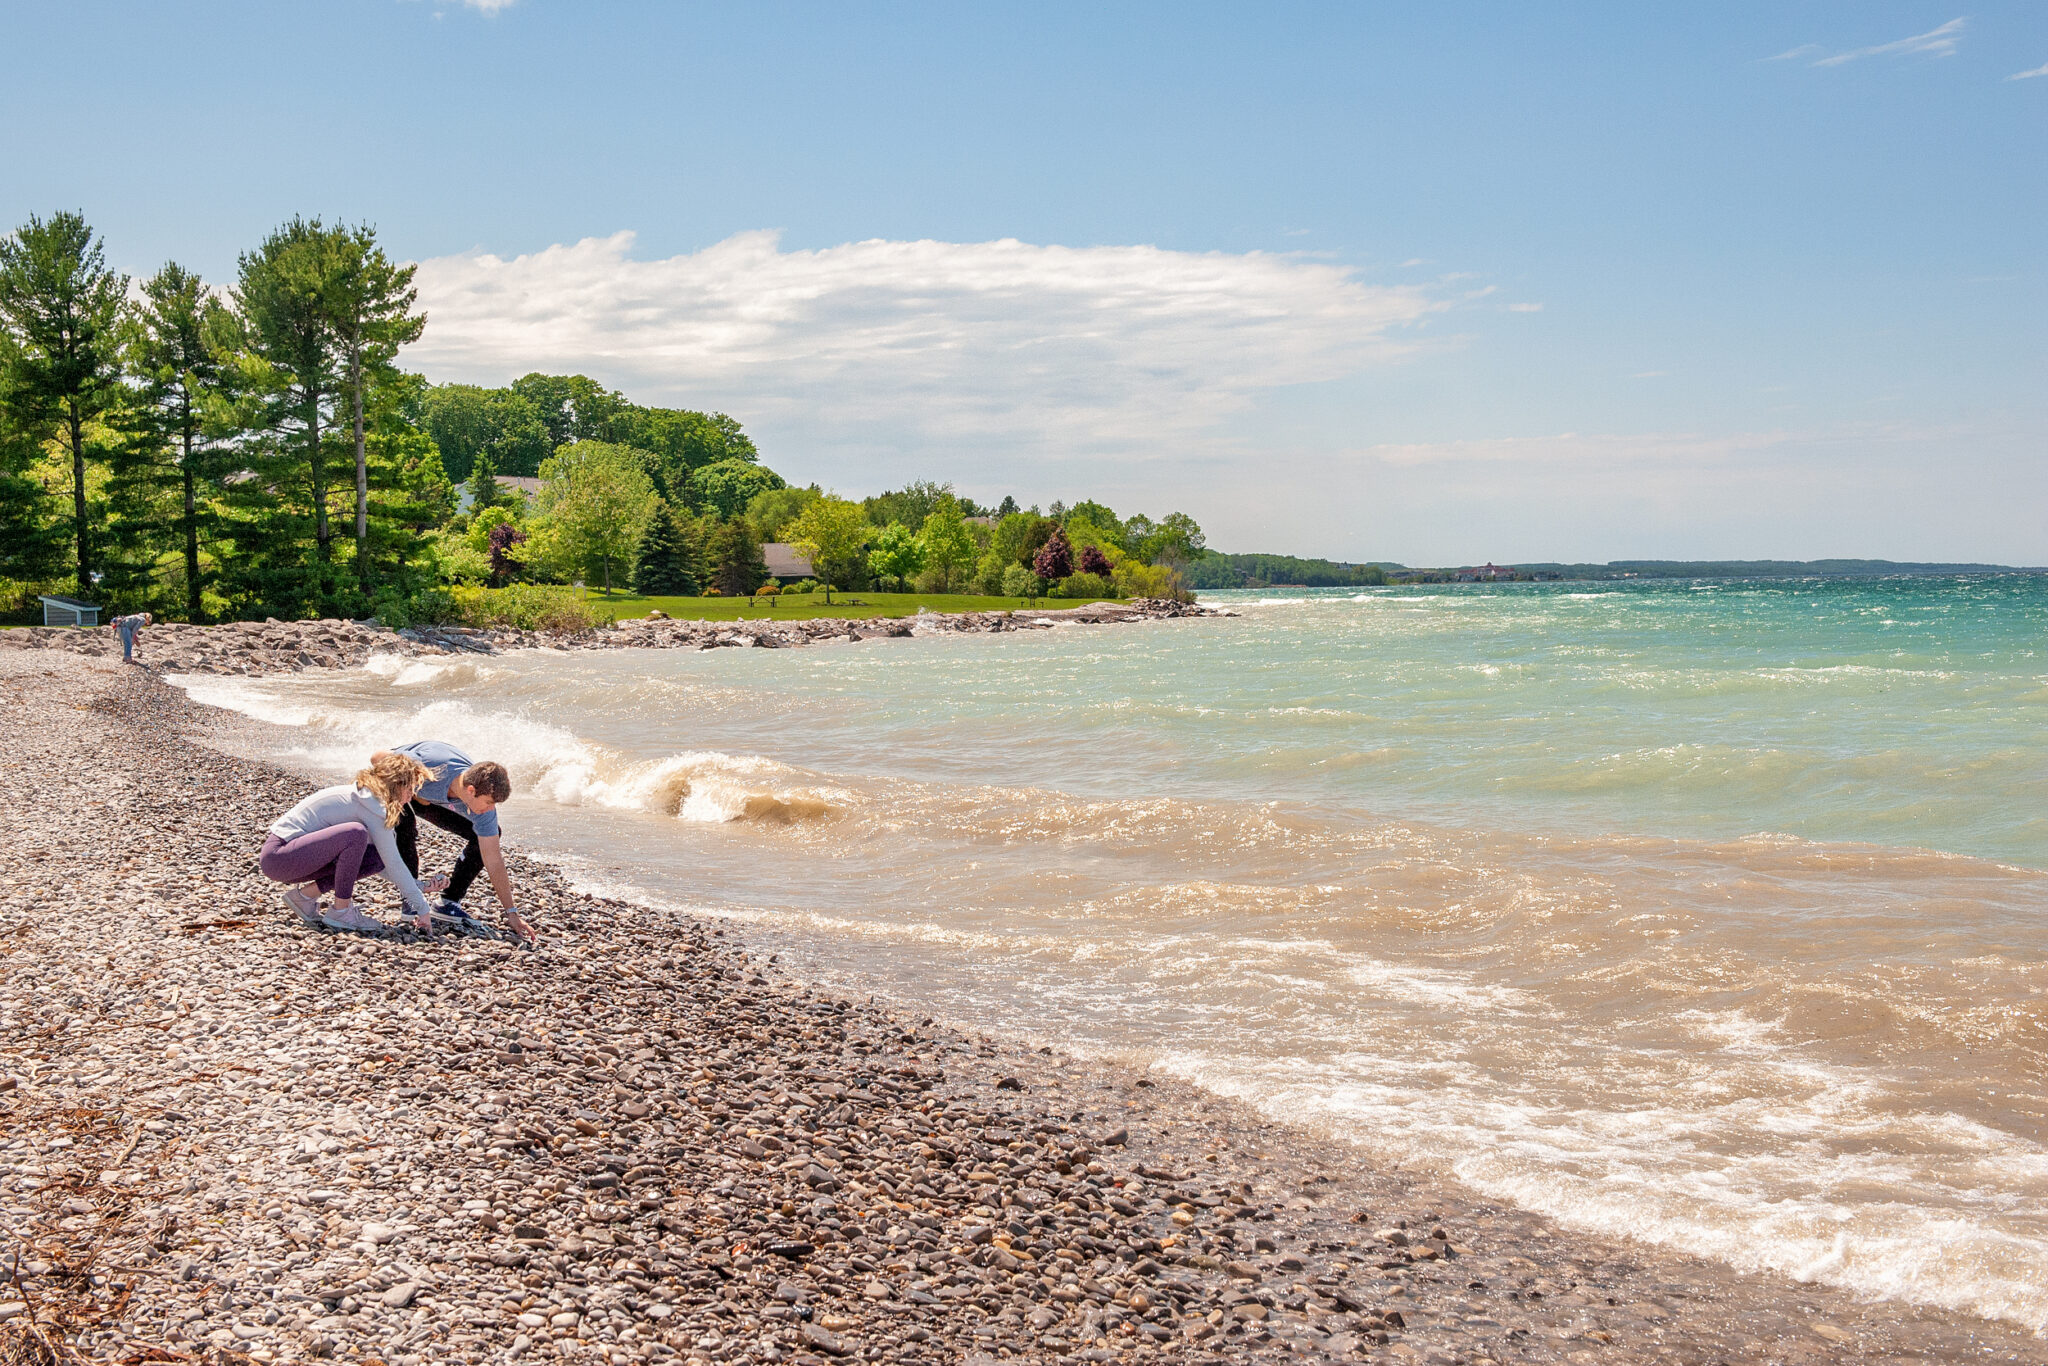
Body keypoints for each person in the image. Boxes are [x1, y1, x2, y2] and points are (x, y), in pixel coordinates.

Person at [259, 751, 439, 933]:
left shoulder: (368, 798)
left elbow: (383, 862)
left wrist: (418, 886)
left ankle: (303, 898)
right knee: (355, 833)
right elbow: (394, 862)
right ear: (396, 785)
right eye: (409, 790)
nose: (410, 798)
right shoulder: (370, 804)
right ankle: (341, 911)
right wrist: (423, 910)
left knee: (374, 857)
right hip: (278, 858)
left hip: (293, 859)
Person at [390, 739, 536, 942]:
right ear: (471, 791)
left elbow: (493, 859)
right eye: (488, 803)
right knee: (404, 822)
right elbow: (378, 758)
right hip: (401, 787)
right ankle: (411, 899)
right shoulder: (431, 768)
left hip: (432, 798)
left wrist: (511, 913)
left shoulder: (483, 809)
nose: (490, 809)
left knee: (487, 834)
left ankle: (448, 902)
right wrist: (406, 793)